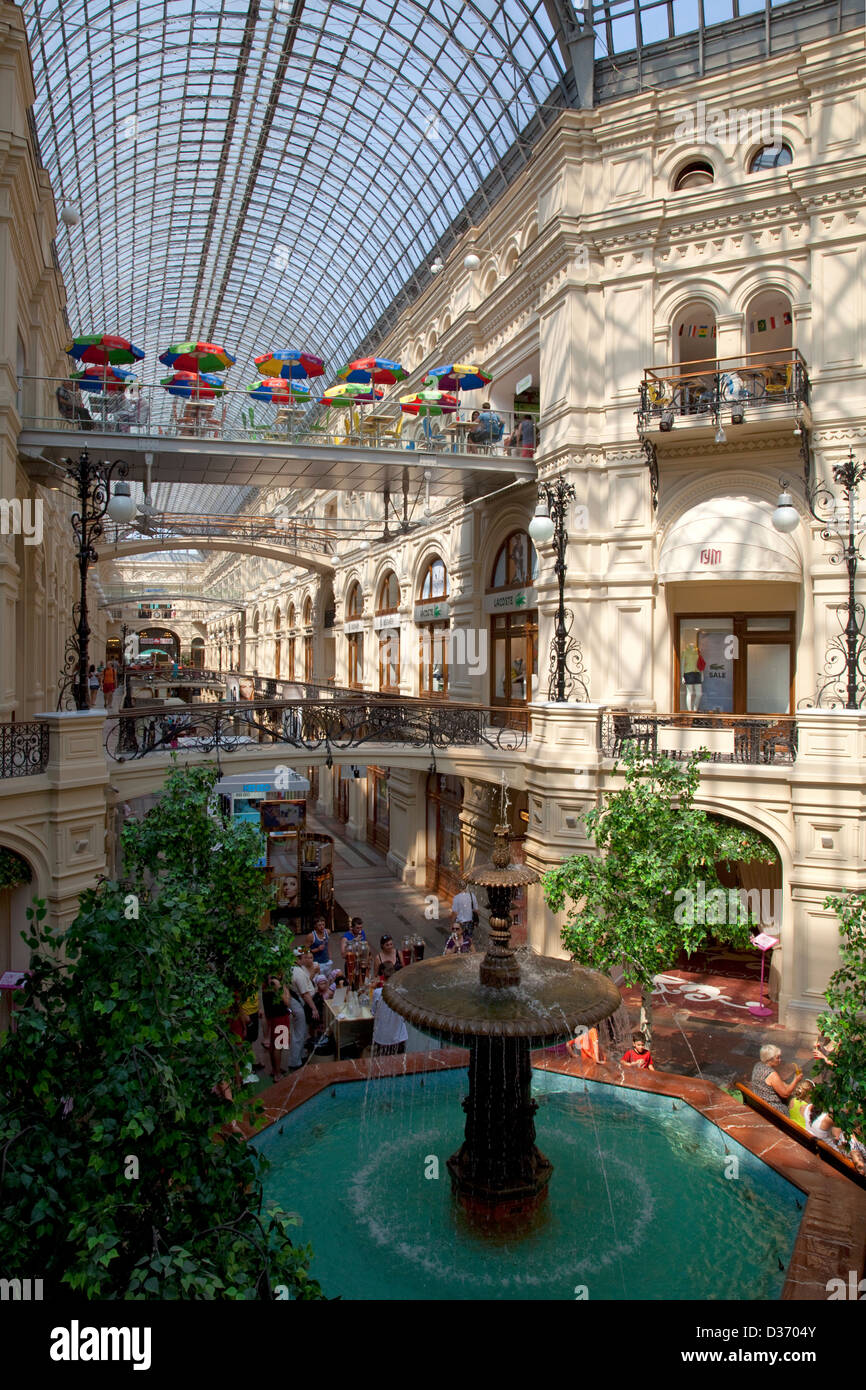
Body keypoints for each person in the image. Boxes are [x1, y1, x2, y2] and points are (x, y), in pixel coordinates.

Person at [750, 1043, 801, 1113]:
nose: (780, 1060)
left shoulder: (758, 1065)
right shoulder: (772, 1074)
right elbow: (785, 1094)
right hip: (772, 1109)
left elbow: (776, 1083)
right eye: (778, 1058)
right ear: (770, 1059)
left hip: (759, 1103)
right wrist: (796, 1080)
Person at [371, 963, 409, 1056]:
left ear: (383, 977)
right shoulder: (402, 992)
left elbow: (373, 1012)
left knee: (381, 1065)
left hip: (382, 1037)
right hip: (399, 1037)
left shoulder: (377, 993)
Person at [261, 974, 293, 1079]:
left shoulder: (265, 983)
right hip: (280, 1017)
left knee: (274, 1045)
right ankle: (277, 1074)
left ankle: (275, 1069)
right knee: (279, 1046)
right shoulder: (276, 984)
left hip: (273, 1016)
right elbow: (287, 1002)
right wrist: (282, 987)